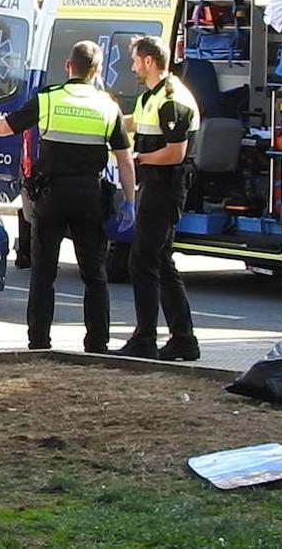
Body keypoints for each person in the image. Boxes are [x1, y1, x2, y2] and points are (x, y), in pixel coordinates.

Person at [0, 40, 136, 353]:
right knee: (94, 274)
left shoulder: (48, 99)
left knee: (43, 272)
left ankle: (39, 341)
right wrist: (129, 200)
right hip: (90, 194)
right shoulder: (108, 106)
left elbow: (2, 128)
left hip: (51, 194)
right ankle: (97, 343)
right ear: (98, 70)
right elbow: (125, 158)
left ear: (68, 66)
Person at [112, 36, 201, 361]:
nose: (133, 66)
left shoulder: (171, 99)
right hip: (156, 185)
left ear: (149, 61)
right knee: (159, 260)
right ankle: (182, 338)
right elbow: (137, 121)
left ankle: (146, 338)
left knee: (144, 259)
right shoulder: (152, 96)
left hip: (165, 185)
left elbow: (175, 153)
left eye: (135, 60)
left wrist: (138, 159)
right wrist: (108, 118)